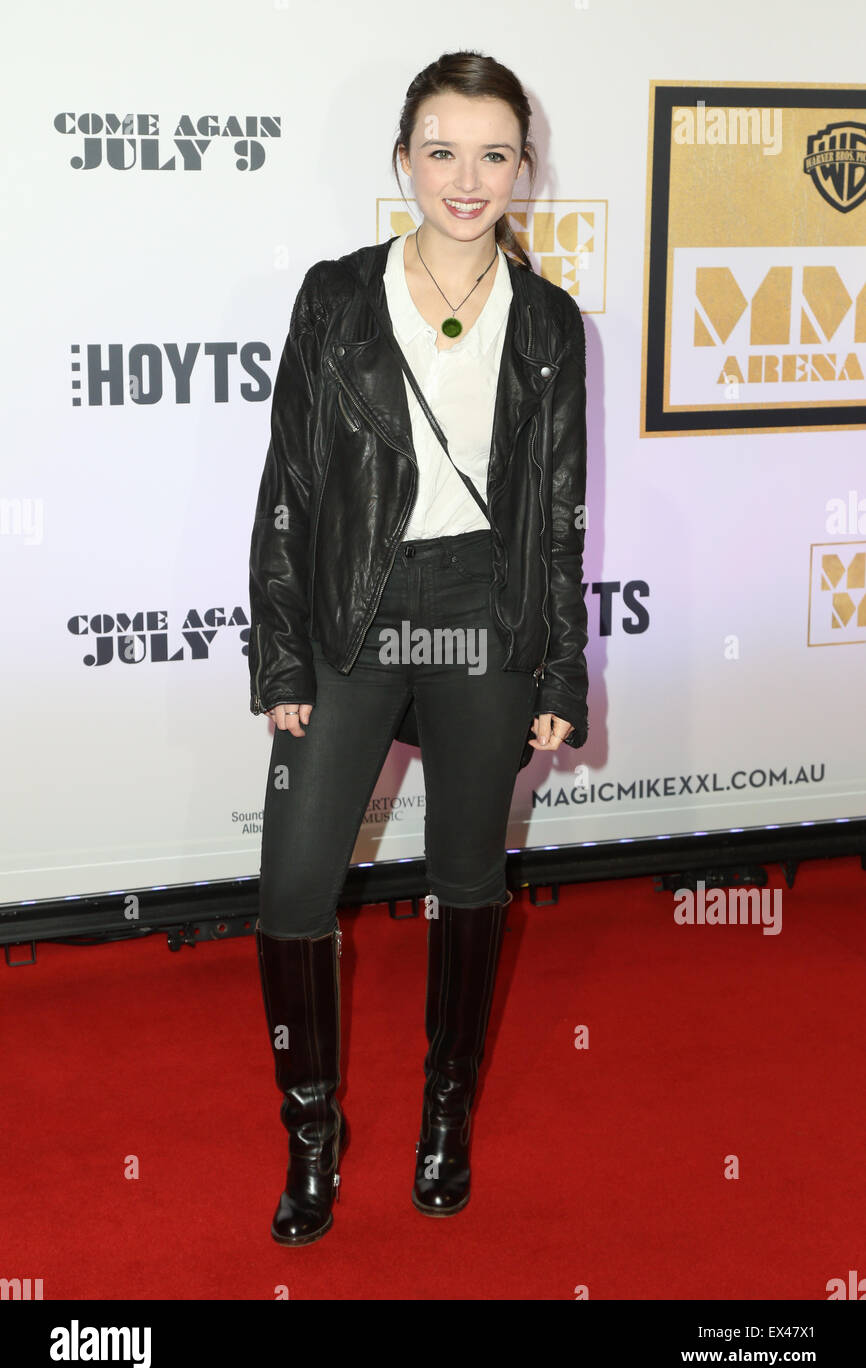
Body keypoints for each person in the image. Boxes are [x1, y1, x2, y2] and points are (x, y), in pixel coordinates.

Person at [248, 49, 589, 1247]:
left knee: (466, 877)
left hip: (481, 612)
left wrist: (558, 664)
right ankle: (312, 1126)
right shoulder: (335, 298)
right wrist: (279, 655)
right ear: (402, 160)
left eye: (493, 153)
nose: (465, 177)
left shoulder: (546, 322)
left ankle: (445, 1109)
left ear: (521, 172)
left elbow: (555, 511)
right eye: (441, 150)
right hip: (353, 606)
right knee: (292, 887)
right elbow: (289, 487)